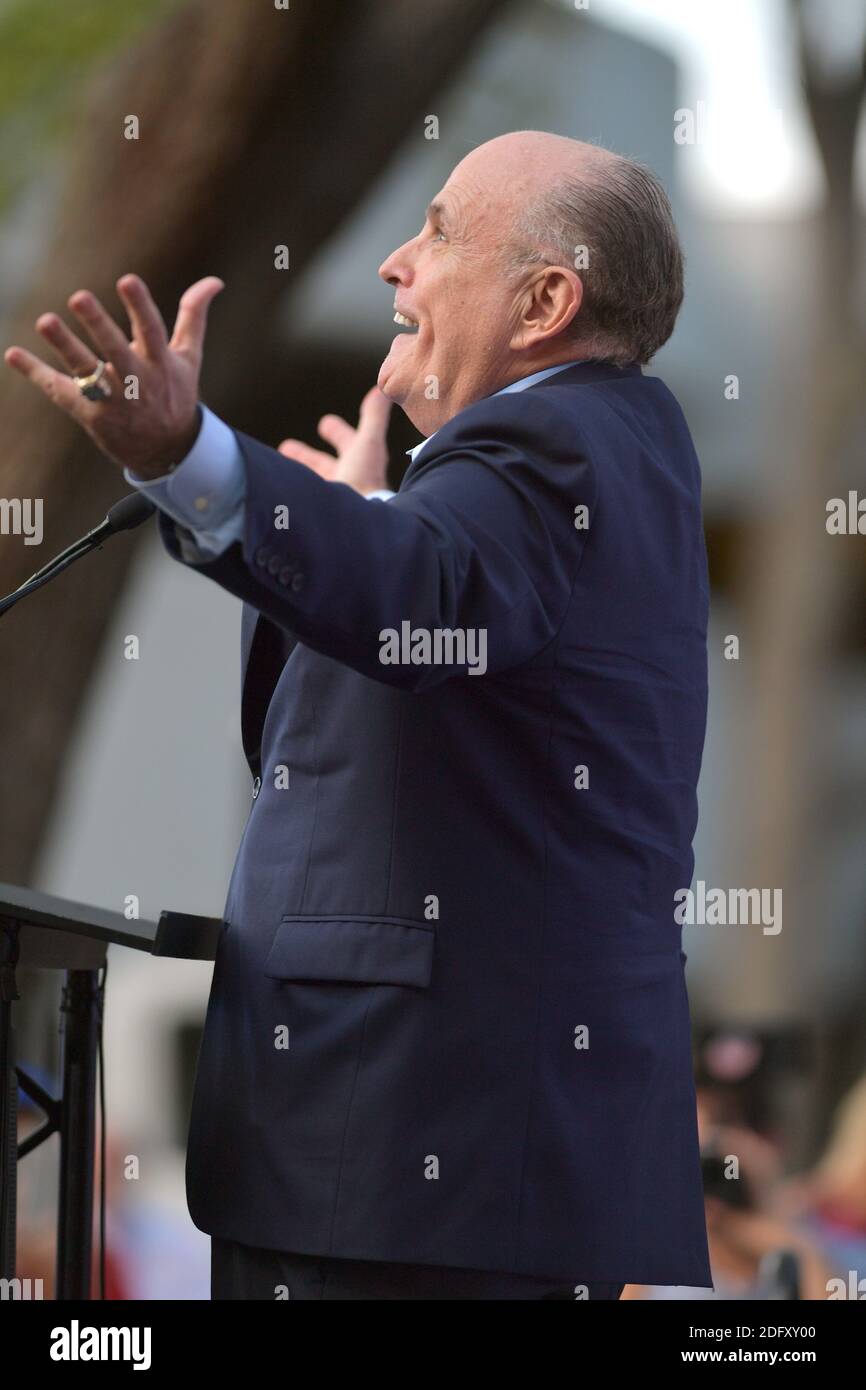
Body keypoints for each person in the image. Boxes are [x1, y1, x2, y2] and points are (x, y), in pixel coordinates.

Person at [5, 130, 711, 1301]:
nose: (397, 261)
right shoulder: (605, 445)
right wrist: (370, 518)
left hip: (408, 1163)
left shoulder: (551, 442)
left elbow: (412, 597)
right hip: (441, 1167)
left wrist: (192, 456)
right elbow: (428, 625)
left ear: (543, 299)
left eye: (438, 230)